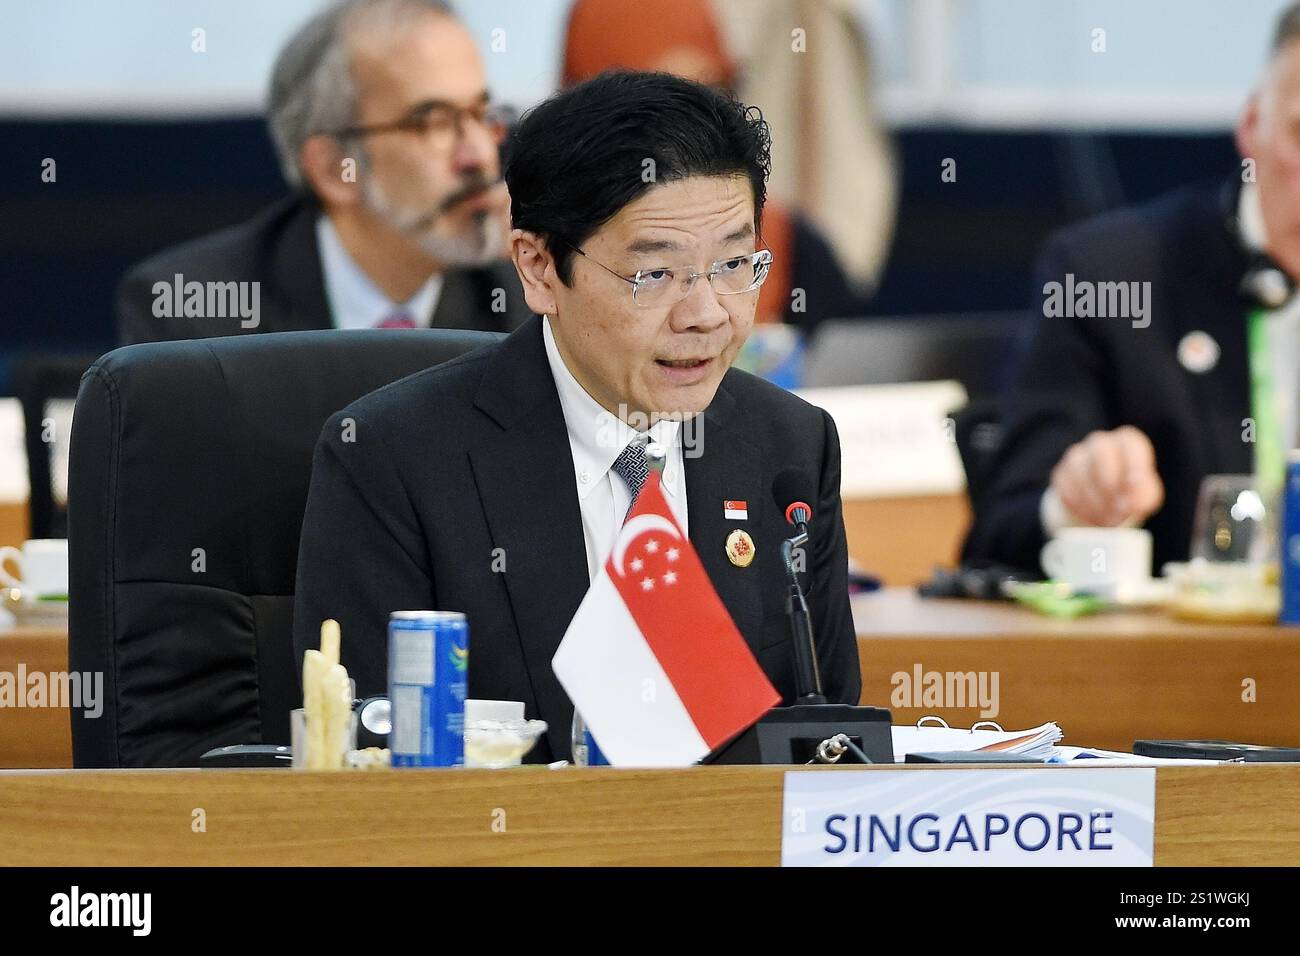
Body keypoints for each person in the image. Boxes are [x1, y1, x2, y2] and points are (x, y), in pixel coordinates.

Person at [292, 71, 862, 763]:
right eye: (654, 275)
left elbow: (831, 753)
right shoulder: (392, 461)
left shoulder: (790, 448)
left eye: (735, 264)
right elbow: (366, 760)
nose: (708, 314)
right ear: (537, 268)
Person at [965, 3, 1300, 574]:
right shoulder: (1108, 274)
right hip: (1184, 657)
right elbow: (1000, 535)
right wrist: (1076, 499)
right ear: (1252, 127)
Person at [116, 0, 531, 344]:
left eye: (482, 115)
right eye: (435, 124)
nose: (480, 155)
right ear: (335, 171)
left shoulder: (531, 301)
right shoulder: (196, 315)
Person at [560, 0, 867, 332]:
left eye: (712, 95)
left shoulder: (791, 249)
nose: (694, 130)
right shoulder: (538, 256)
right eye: (653, 275)